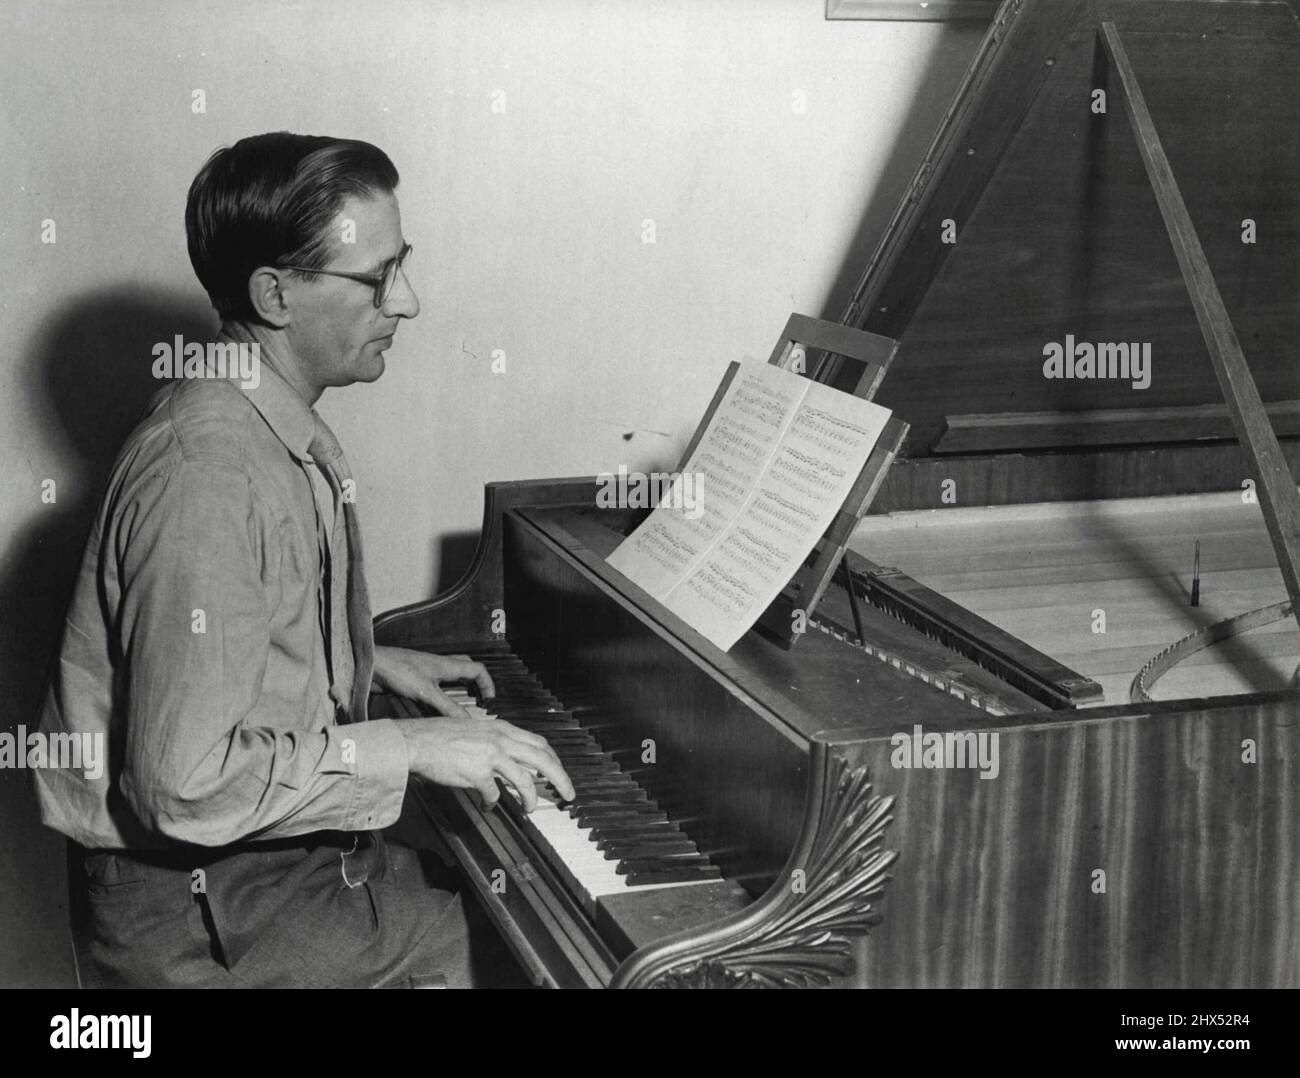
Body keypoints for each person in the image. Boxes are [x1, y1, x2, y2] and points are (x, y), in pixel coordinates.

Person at [32, 132, 573, 988]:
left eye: (403, 264)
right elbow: (181, 786)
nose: (408, 302)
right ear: (275, 294)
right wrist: (413, 745)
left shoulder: (256, 415)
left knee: (525, 916)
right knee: (545, 956)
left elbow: (227, 634)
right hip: (201, 914)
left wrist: (368, 662)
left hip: (258, 877)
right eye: (377, 278)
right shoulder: (208, 477)